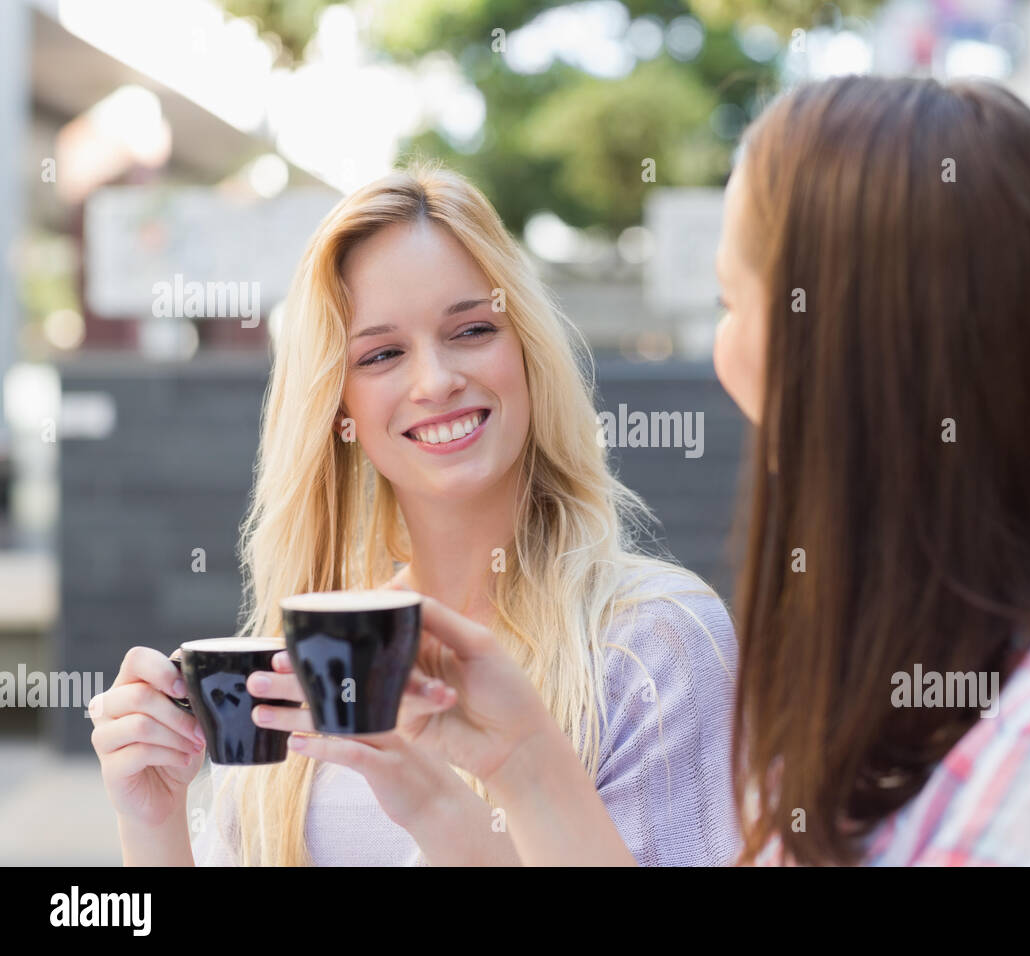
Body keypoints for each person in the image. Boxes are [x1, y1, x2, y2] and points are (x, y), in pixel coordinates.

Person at [367, 75, 1030, 866]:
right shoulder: (906, 664)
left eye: (731, 301)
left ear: (849, 344)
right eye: (377, 355)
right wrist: (519, 767)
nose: (724, 354)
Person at [89, 165, 740, 866]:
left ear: (526, 348)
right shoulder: (302, 661)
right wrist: (152, 827)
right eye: (383, 353)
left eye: (471, 330)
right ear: (338, 409)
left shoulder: (654, 644)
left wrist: (445, 817)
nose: (435, 381)